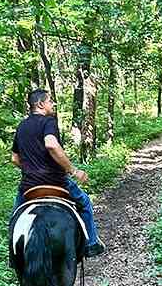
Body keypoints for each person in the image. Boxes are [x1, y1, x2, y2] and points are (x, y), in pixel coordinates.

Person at [11, 88, 106, 257]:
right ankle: (91, 244)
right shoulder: (48, 122)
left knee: (15, 216)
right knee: (84, 202)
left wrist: (32, 169)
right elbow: (51, 144)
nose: (52, 104)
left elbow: (15, 159)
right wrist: (73, 170)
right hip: (55, 182)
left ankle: (14, 255)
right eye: (49, 101)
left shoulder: (22, 126)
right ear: (40, 104)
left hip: (29, 185)